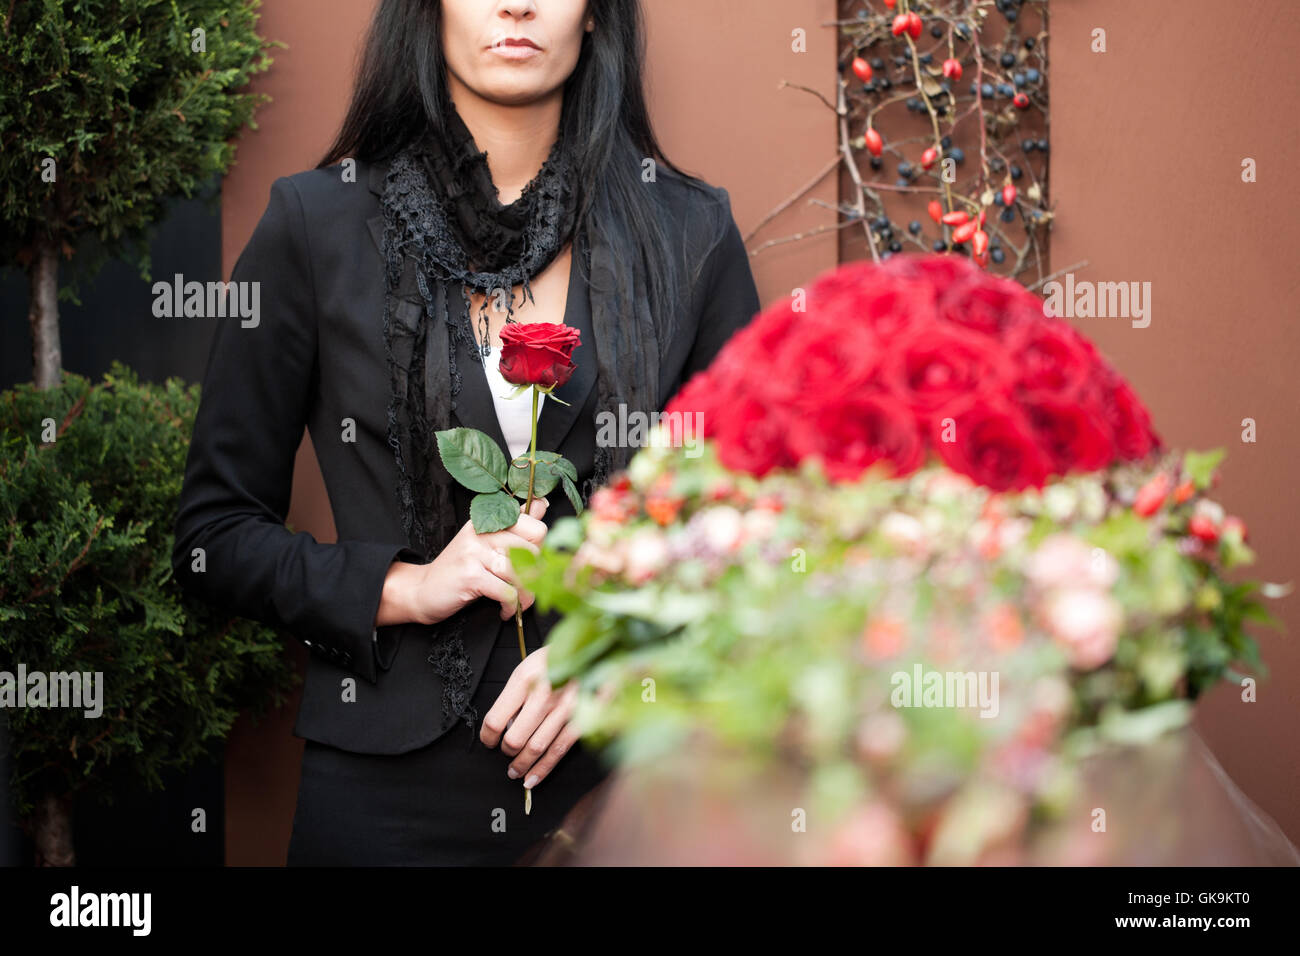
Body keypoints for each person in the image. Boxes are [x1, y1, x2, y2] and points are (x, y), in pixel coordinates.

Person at [171, 0, 761, 865]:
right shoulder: (317, 224)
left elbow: (757, 526)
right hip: (384, 801)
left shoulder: (688, 230)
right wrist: (402, 587)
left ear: (596, 15)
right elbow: (212, 539)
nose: (516, 5)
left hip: (631, 786)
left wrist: (616, 655)